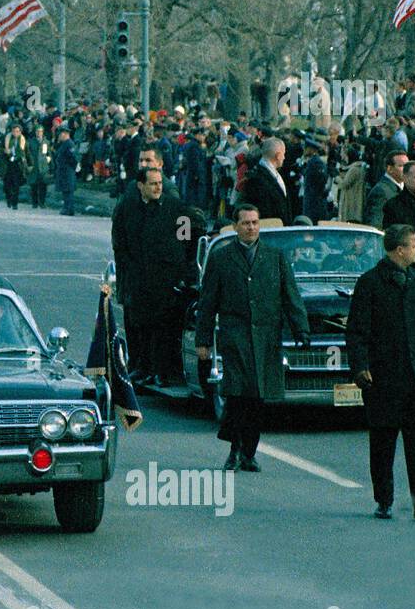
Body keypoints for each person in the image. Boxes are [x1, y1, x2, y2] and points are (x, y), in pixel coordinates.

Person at [194, 204, 309, 471]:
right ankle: (235, 450)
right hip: (235, 337)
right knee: (237, 395)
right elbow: (208, 302)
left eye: (255, 223)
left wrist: (301, 329)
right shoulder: (221, 258)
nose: (251, 228)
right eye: (245, 223)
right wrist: (203, 341)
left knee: (258, 398)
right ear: (235, 227)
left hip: (267, 337)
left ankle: (249, 452)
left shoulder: (274, 257)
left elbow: (290, 295)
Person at [347, 225, 415, 521]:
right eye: (413, 245)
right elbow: (357, 331)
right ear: (399, 250)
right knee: (383, 444)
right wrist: (360, 367)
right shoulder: (370, 284)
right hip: (384, 378)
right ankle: (384, 500)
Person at [111, 167, 194, 386]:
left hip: (166, 280)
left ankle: (161, 371)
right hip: (139, 279)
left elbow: (186, 241)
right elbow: (119, 243)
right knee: (141, 327)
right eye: (153, 183)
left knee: (163, 328)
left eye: (160, 183)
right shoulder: (128, 208)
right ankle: (142, 367)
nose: (158, 187)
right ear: (141, 186)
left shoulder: (176, 208)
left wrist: (181, 272)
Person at [243, 137, 292, 224]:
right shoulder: (257, 179)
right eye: (283, 154)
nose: (284, 157)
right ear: (278, 155)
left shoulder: (273, 173)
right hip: (270, 230)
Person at [363, 149, 409, 229]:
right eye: (402, 166)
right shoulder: (381, 191)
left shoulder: (406, 188)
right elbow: (375, 226)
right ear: (389, 169)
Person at [301, 136, 329, 222]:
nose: (304, 150)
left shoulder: (317, 164)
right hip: (310, 202)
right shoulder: (311, 162)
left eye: (306, 148)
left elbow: (320, 183)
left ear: (311, 150)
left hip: (315, 204)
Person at [25, 124, 51, 208]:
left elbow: (49, 153)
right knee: (34, 185)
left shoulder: (46, 142)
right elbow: (27, 154)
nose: (39, 133)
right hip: (34, 166)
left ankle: (42, 202)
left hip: (43, 167)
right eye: (37, 131)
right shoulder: (30, 142)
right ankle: (34, 203)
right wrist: (29, 164)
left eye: (40, 131)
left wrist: (48, 159)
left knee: (43, 185)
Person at [54, 127, 78, 216]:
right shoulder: (63, 144)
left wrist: (71, 167)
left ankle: (69, 208)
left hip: (68, 170)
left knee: (68, 190)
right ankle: (66, 207)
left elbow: (73, 158)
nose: (59, 136)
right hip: (63, 170)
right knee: (65, 190)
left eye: (60, 135)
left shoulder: (69, 144)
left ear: (65, 134)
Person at [2, 123, 27, 209]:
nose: (15, 133)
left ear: (20, 132)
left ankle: (15, 203)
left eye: (17, 131)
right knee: (8, 184)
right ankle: (9, 199)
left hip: (18, 164)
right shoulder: (7, 138)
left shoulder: (22, 140)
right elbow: (0, 149)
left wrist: (29, 164)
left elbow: (25, 152)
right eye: (14, 131)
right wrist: (5, 152)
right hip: (8, 164)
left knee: (16, 184)